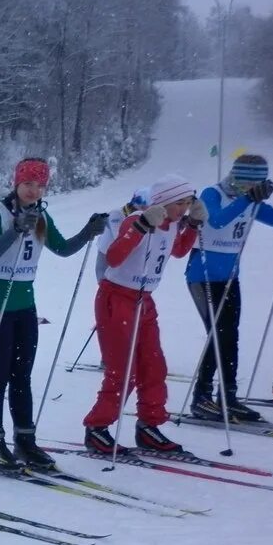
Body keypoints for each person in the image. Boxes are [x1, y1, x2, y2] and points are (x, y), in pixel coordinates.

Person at [0, 158, 106, 470]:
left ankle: (25, 440)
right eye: (28, 184)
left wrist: (89, 231)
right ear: (16, 183)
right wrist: (16, 231)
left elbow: (61, 248)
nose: (34, 190)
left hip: (24, 304)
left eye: (40, 185)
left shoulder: (41, 215)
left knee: (22, 375)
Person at [83, 175, 204, 454]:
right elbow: (114, 257)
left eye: (187, 203)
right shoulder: (135, 220)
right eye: (179, 204)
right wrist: (140, 226)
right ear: (162, 202)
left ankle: (149, 424)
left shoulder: (172, 225)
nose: (183, 210)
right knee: (123, 371)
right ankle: (96, 427)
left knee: (153, 366)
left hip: (144, 300)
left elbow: (179, 250)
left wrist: (194, 225)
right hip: (117, 298)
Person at [184, 153, 273, 422]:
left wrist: (252, 200)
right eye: (249, 184)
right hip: (202, 275)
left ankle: (228, 397)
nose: (251, 189)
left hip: (230, 276)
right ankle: (202, 397)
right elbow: (216, 220)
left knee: (231, 336)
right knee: (217, 336)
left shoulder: (251, 201)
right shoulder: (213, 193)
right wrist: (248, 199)